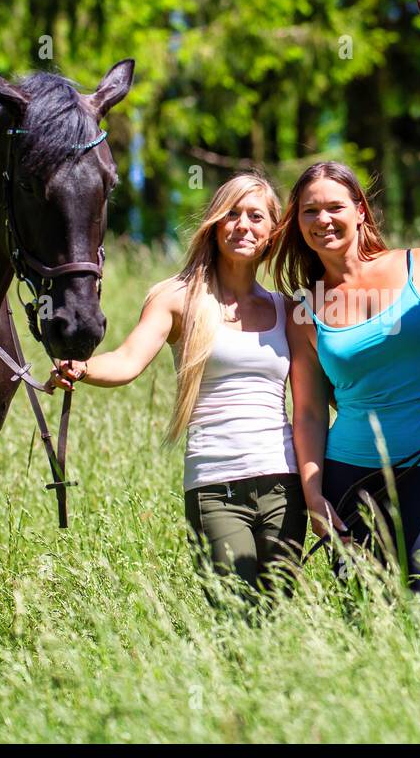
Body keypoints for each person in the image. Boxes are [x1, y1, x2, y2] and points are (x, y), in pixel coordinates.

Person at [274, 161, 420, 617]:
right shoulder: (304, 309)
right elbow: (308, 413)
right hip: (349, 478)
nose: (322, 220)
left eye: (334, 207)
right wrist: (313, 497)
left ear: (360, 210)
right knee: (367, 618)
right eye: (309, 211)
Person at [50, 172, 306, 599]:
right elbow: (128, 360)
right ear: (215, 225)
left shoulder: (288, 308)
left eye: (256, 216)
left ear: (272, 232)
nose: (243, 225)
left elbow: (320, 394)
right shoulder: (178, 298)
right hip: (216, 485)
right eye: (232, 214)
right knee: (236, 615)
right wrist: (82, 367)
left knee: (277, 620)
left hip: (284, 485)